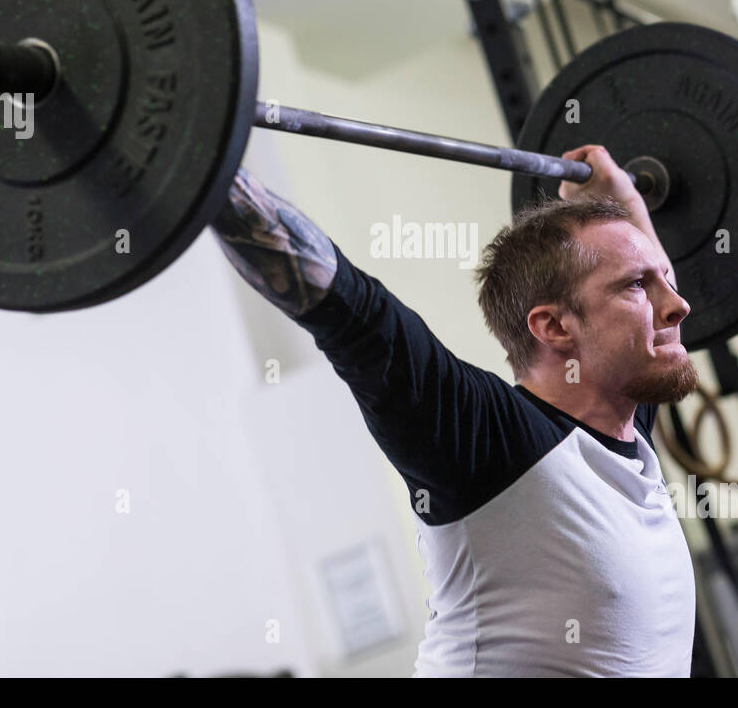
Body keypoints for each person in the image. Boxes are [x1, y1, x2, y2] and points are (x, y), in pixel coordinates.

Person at [210, 144, 699, 676]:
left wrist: (623, 203)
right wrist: (202, 161)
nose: (678, 304)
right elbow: (349, 309)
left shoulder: (625, 431)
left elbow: (658, 317)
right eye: (635, 286)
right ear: (554, 327)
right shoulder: (488, 446)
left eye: (664, 281)